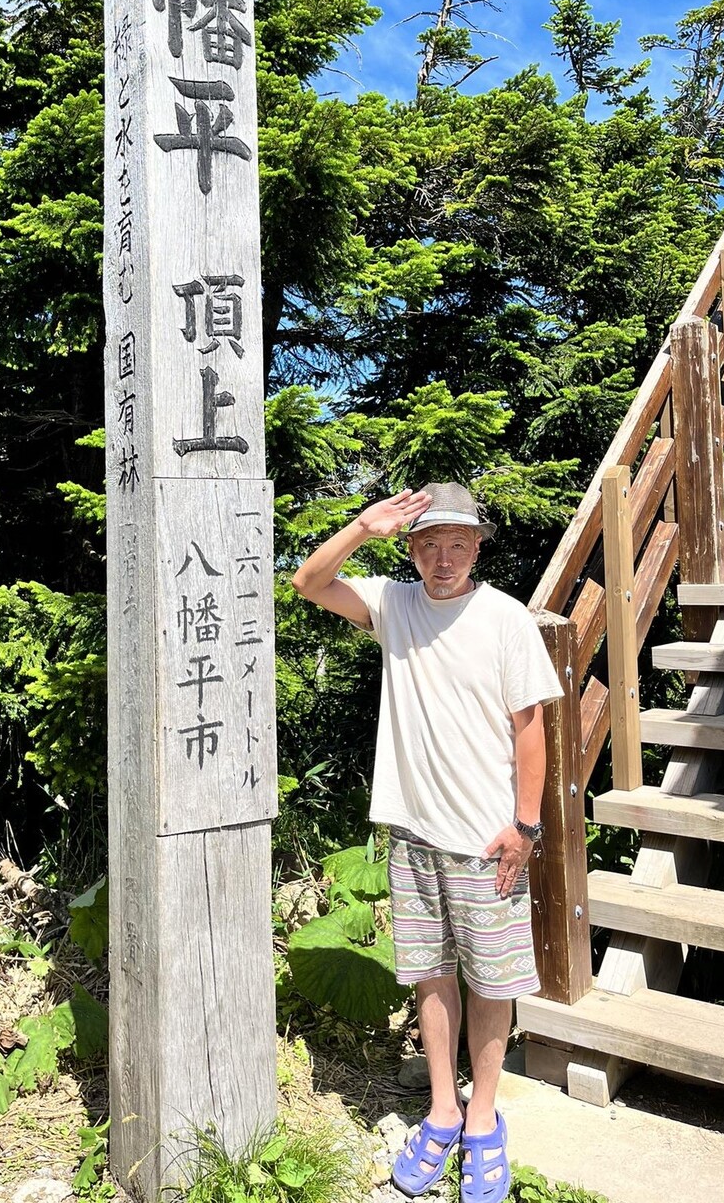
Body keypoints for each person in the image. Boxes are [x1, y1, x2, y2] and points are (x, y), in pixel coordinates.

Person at [291, 481, 563, 1202]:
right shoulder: (394, 603)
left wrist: (525, 826)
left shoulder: (506, 619)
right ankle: (443, 1108)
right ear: (411, 549)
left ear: (477, 548)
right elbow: (308, 582)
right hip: (413, 834)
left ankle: (483, 1118)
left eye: (458, 544)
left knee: (492, 983)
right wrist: (362, 526)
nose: (444, 559)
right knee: (433, 977)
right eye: (430, 544)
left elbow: (530, 730)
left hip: (486, 841)